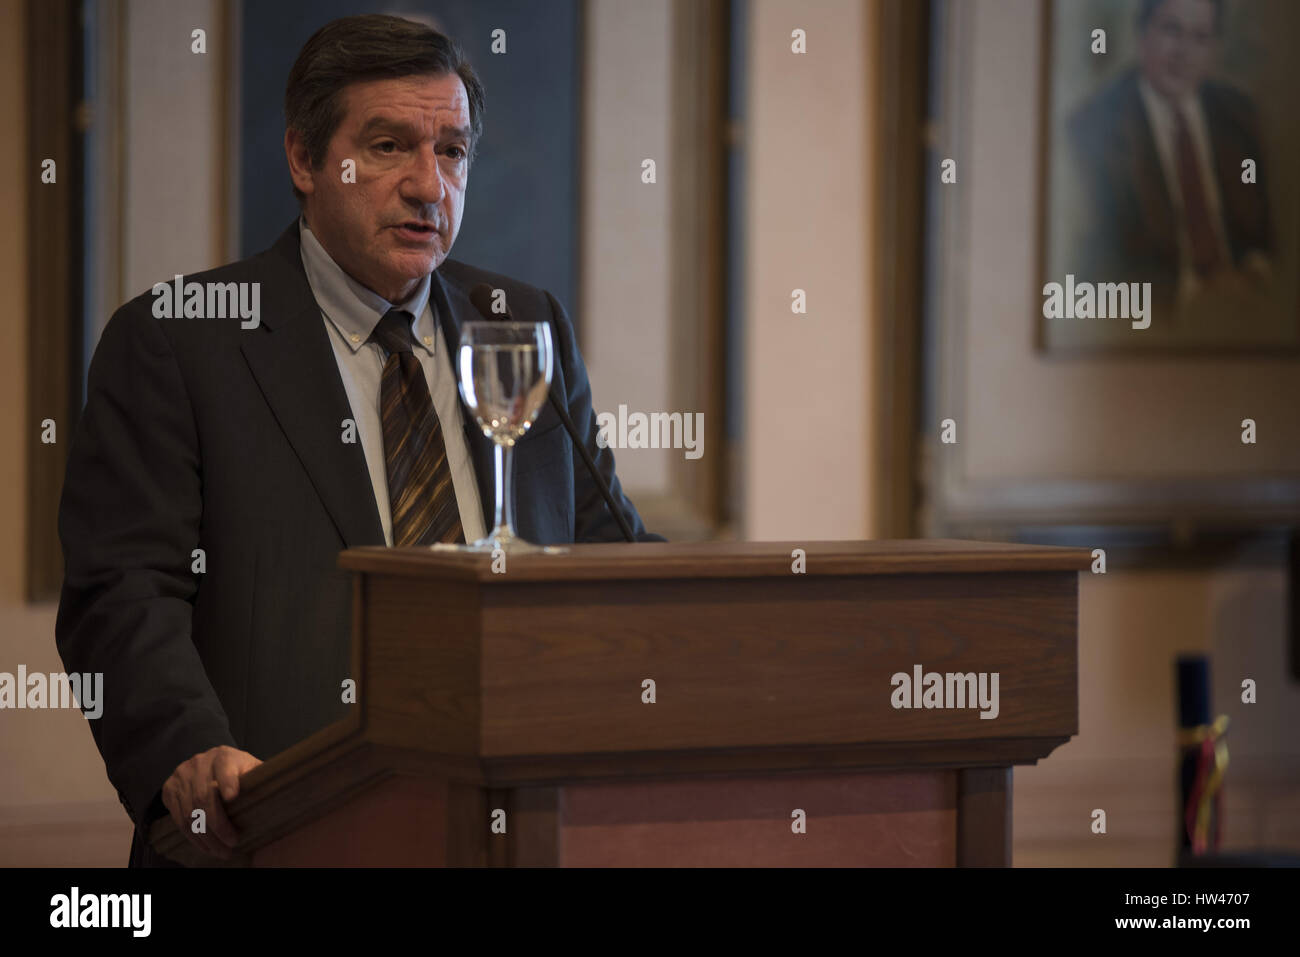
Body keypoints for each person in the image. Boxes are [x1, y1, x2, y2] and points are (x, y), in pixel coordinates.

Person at [55, 14, 660, 867]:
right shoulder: (177, 339)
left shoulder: (521, 324)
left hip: (512, 830)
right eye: (387, 147)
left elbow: (613, 556)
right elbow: (122, 594)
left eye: (451, 152)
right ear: (305, 159)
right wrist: (187, 754)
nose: (427, 185)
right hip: (274, 832)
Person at [1066, 0, 1272, 306]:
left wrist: (1257, 271)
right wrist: (1192, 293)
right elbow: (1100, 268)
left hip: (1243, 306)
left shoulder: (1239, 117)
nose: (1184, 53)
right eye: (1171, 30)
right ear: (1142, 35)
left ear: (1214, 49)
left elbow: (1263, 233)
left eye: (1200, 37)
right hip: (1160, 316)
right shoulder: (1093, 129)